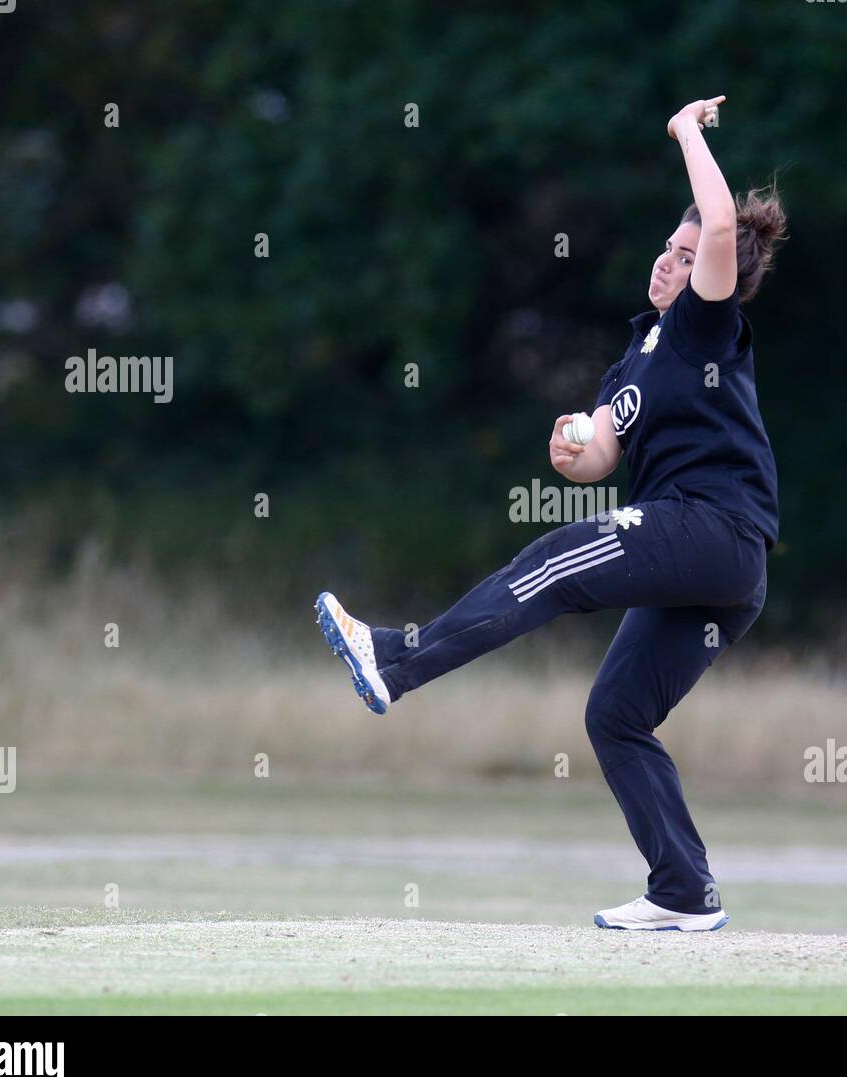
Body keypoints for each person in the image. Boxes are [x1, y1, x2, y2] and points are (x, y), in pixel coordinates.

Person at [316, 96, 785, 931]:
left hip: (716, 530)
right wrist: (574, 449)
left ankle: (394, 660)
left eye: (684, 255)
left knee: (549, 565)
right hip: (707, 563)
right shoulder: (637, 355)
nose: (669, 263)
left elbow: (719, 226)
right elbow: (601, 451)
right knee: (615, 713)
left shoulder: (705, 326)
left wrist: (683, 131)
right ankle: (684, 889)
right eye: (667, 250)